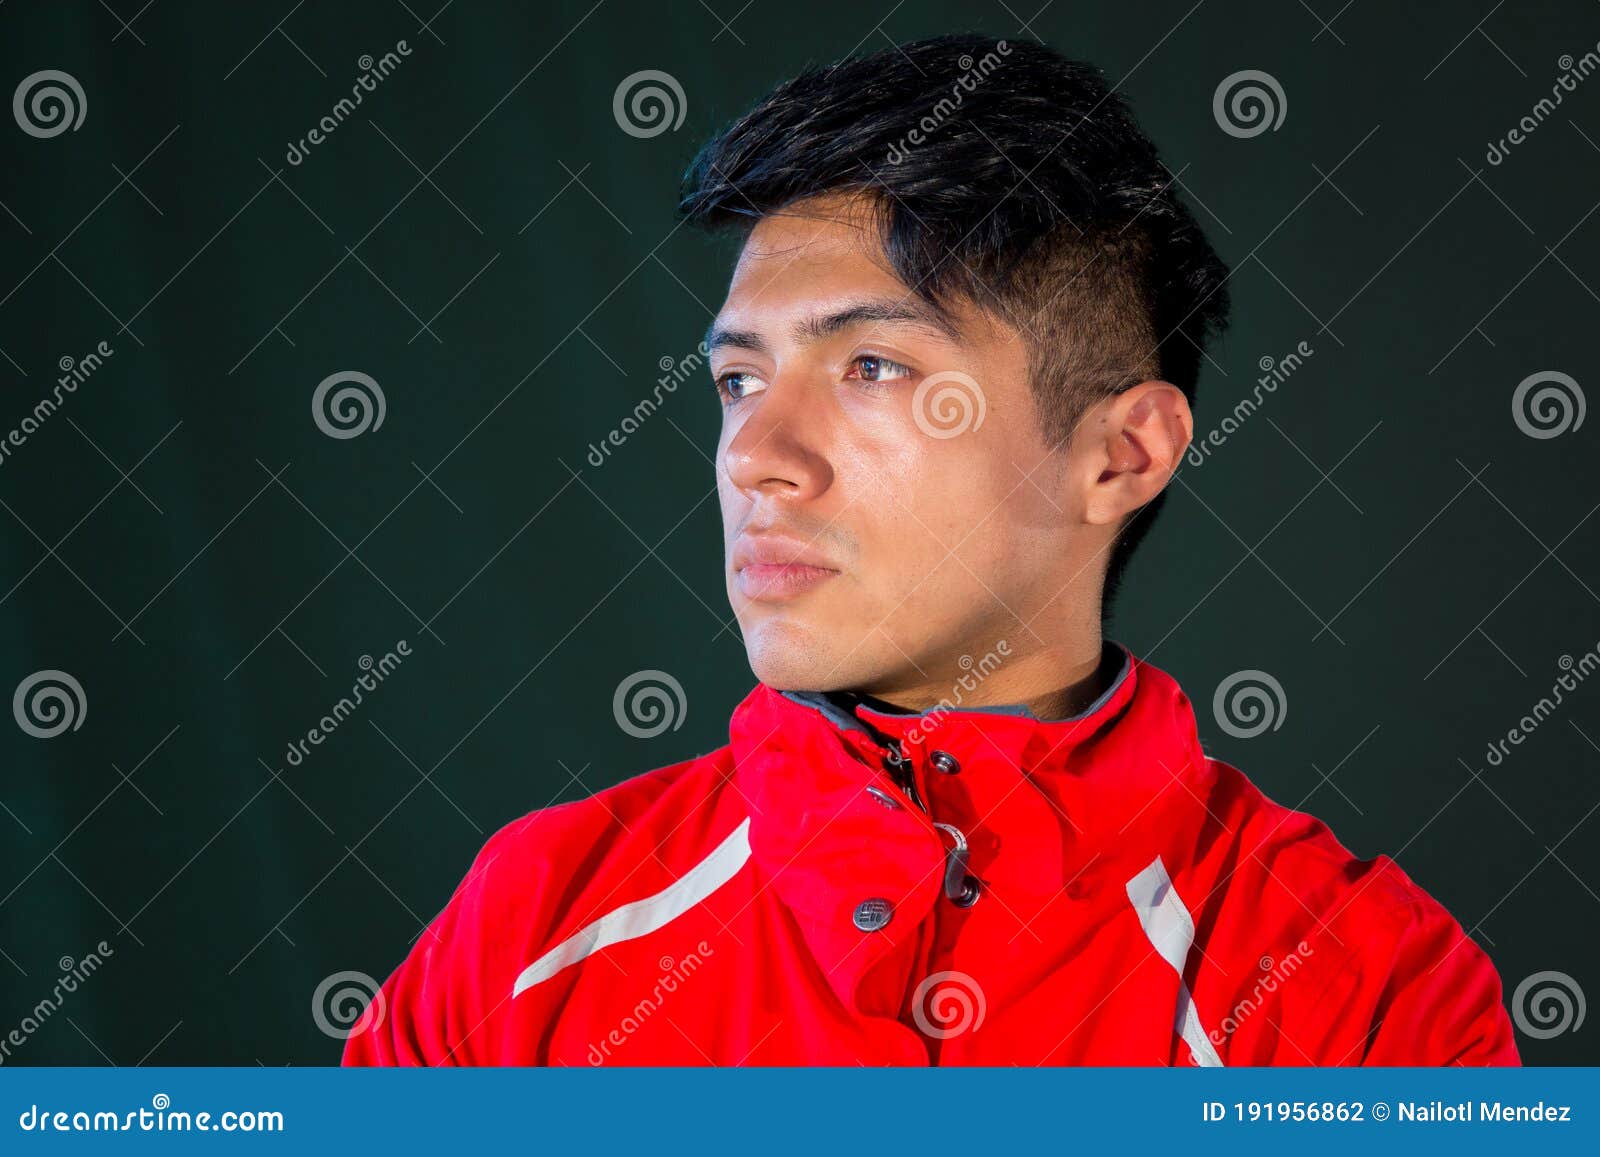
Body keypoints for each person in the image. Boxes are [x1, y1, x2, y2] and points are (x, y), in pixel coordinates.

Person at [344, 34, 1518, 1066]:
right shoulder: (532, 932)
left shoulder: (1362, 991)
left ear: (1122, 453)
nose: (756, 454)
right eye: (738, 378)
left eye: (873, 368)